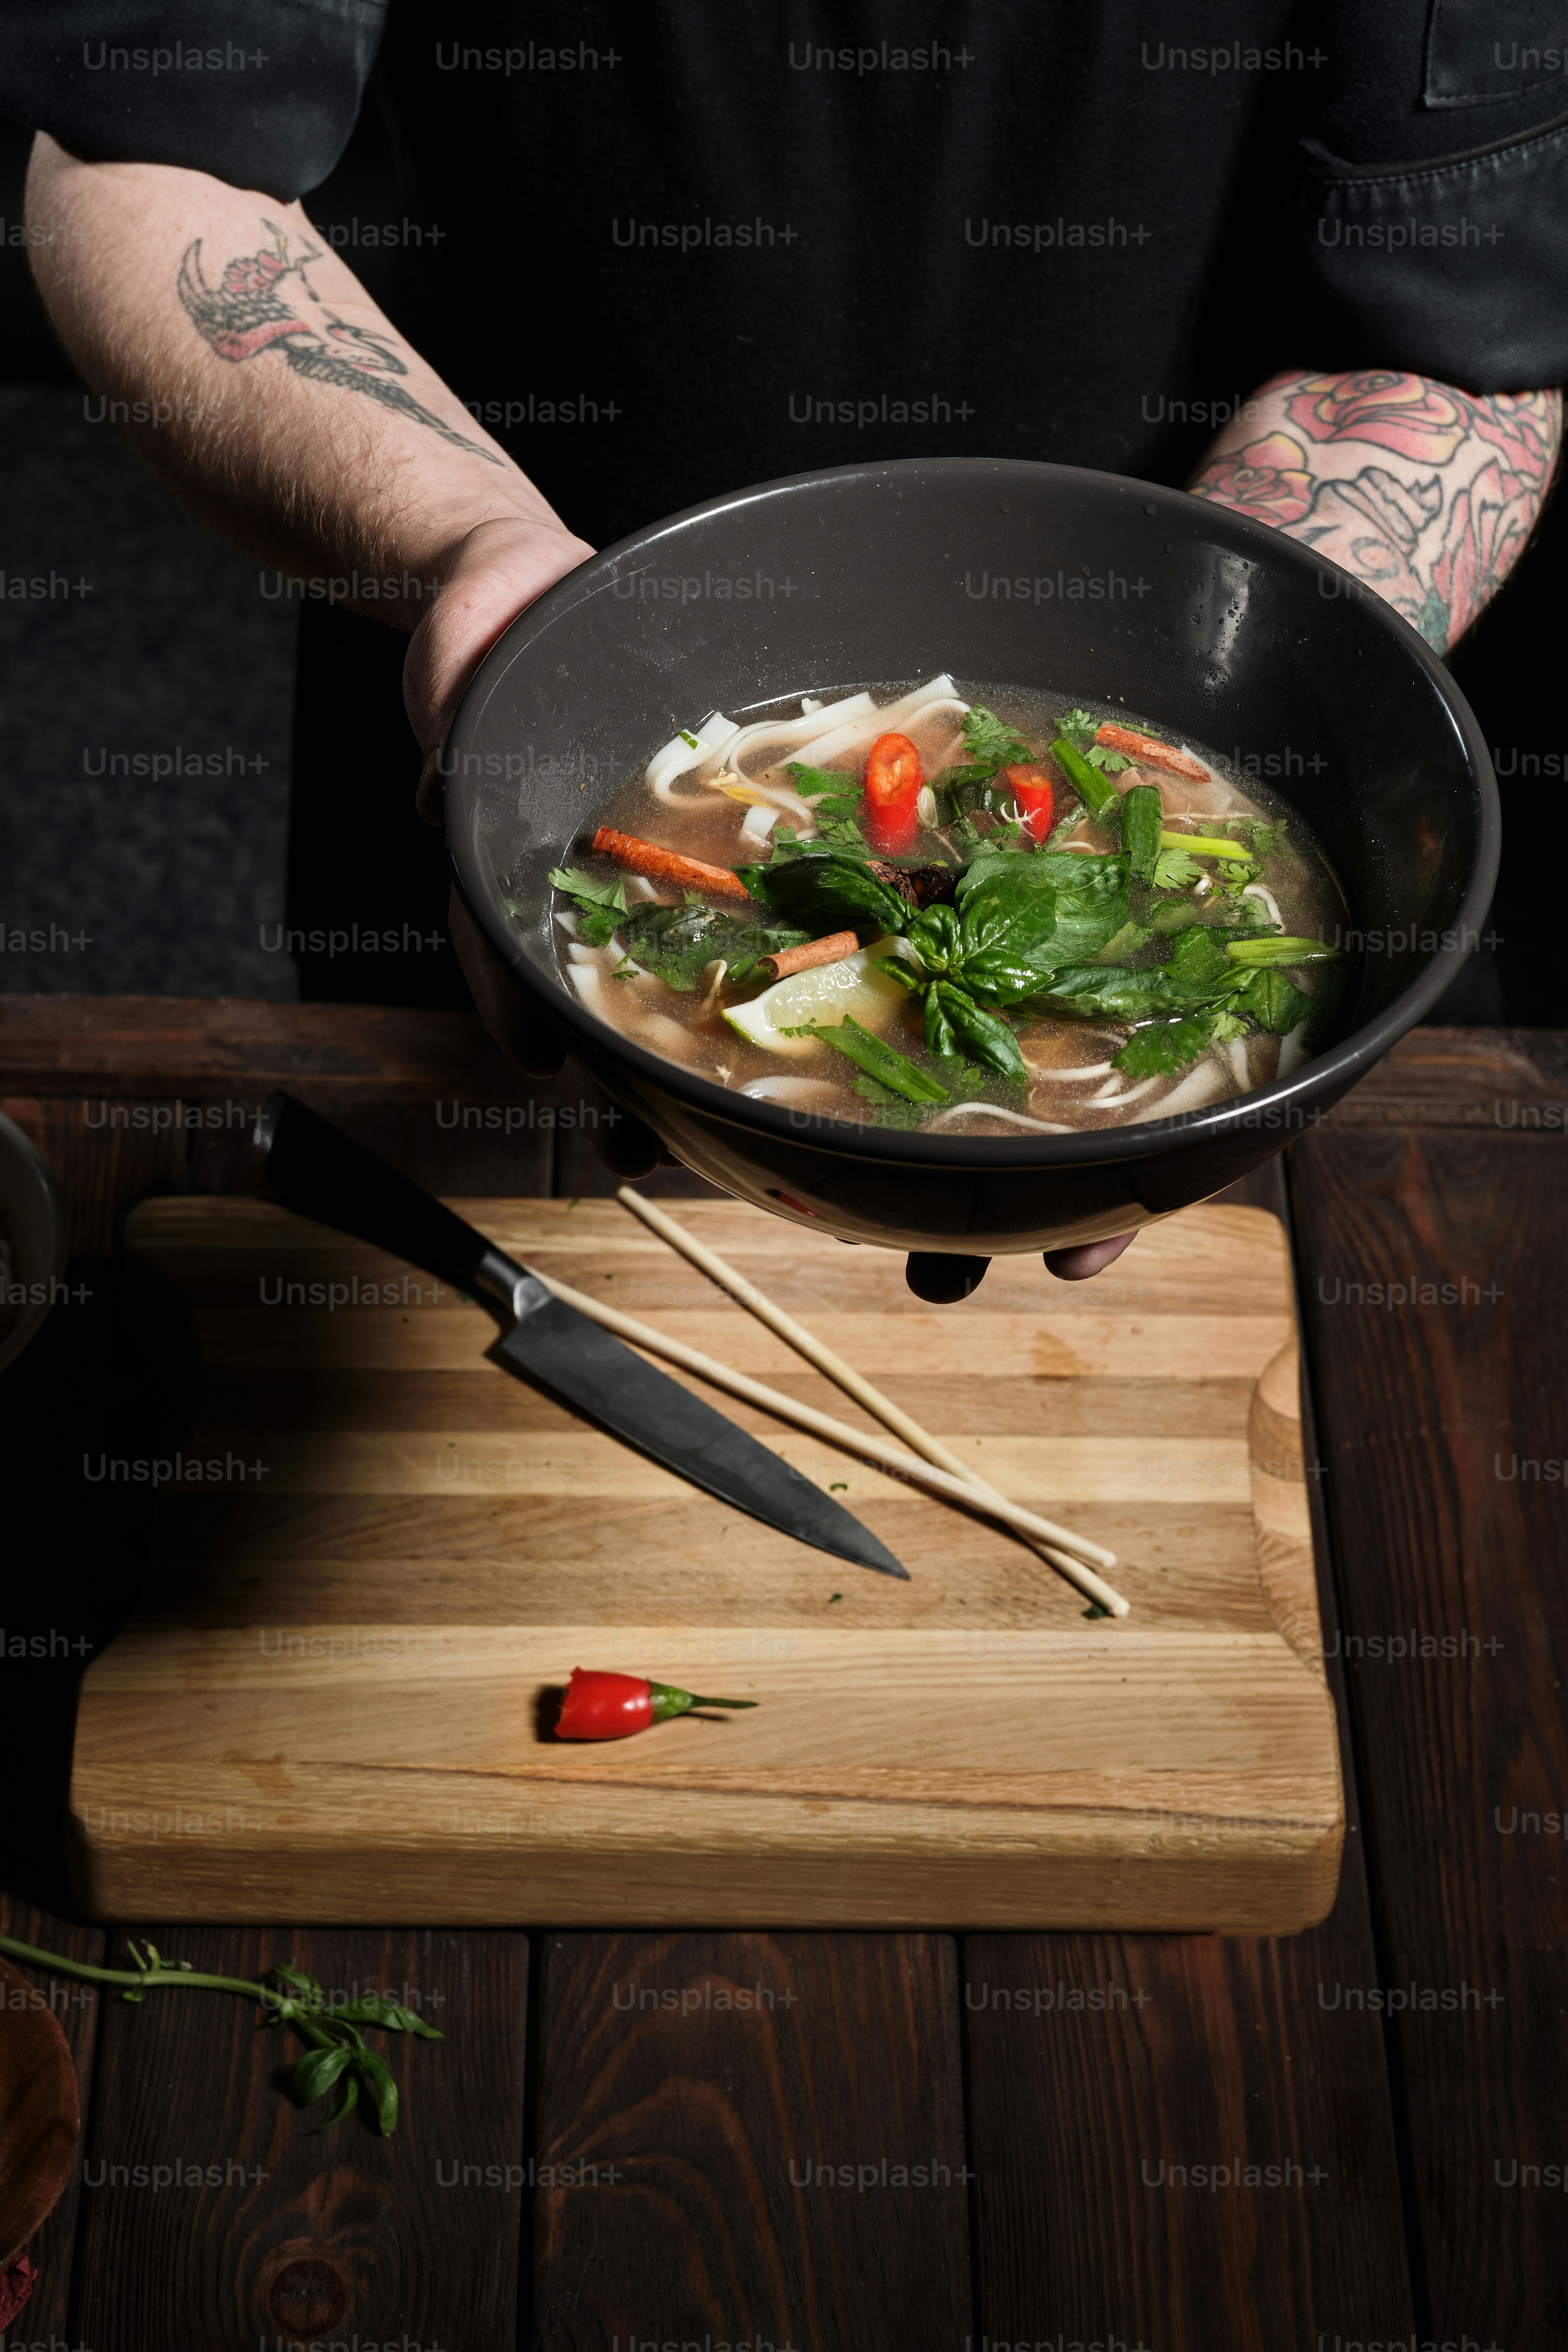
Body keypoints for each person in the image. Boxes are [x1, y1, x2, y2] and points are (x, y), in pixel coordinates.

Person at [8, 5, 1563, 1292]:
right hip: (503, 713)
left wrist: (1244, 732)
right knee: (453, 1361)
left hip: (1216, 725)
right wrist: (473, 562)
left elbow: (1453, 321)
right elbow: (148, 155)